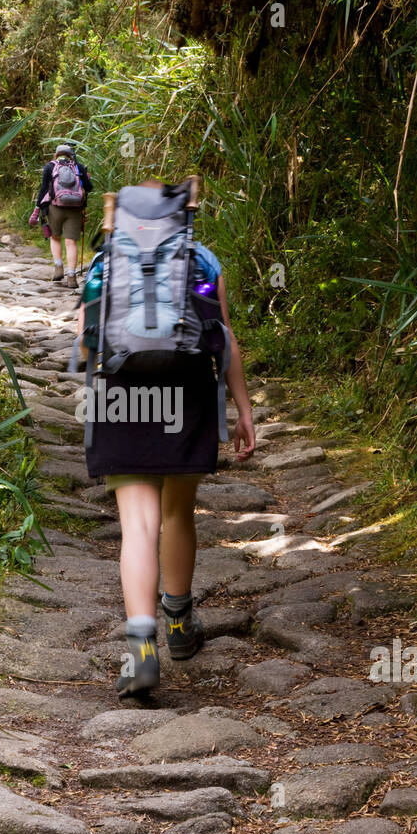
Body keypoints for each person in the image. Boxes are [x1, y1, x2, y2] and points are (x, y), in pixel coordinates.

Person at [75, 179, 256, 700]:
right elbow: (222, 336)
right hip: (189, 394)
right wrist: (242, 409)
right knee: (178, 512)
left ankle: (141, 650)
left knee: (137, 524)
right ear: (180, 216)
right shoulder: (200, 260)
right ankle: (178, 620)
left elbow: (87, 343)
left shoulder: (107, 262)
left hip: (120, 394)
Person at [28, 143, 92, 290]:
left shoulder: (50, 166)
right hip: (75, 209)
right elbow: (89, 188)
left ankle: (58, 267)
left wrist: (38, 208)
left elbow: (44, 188)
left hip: (54, 208)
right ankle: (71, 276)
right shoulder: (78, 167)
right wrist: (86, 177)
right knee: (71, 243)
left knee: (55, 237)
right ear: (70, 155)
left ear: (56, 154)